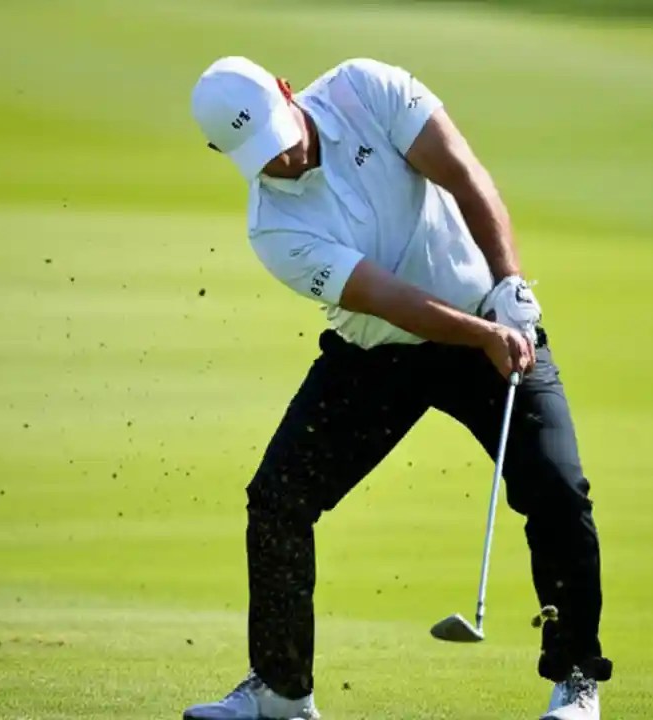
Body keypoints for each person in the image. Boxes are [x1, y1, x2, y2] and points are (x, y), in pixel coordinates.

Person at [185, 56, 612, 720]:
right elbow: (388, 299)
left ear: (286, 91)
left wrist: (507, 286)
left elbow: (463, 175)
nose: (284, 160)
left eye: (281, 137)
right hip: (377, 355)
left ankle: (577, 679)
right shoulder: (273, 228)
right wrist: (481, 334)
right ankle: (282, 692)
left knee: (557, 488)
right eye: (262, 155)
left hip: (489, 314)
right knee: (278, 499)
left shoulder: (365, 89)